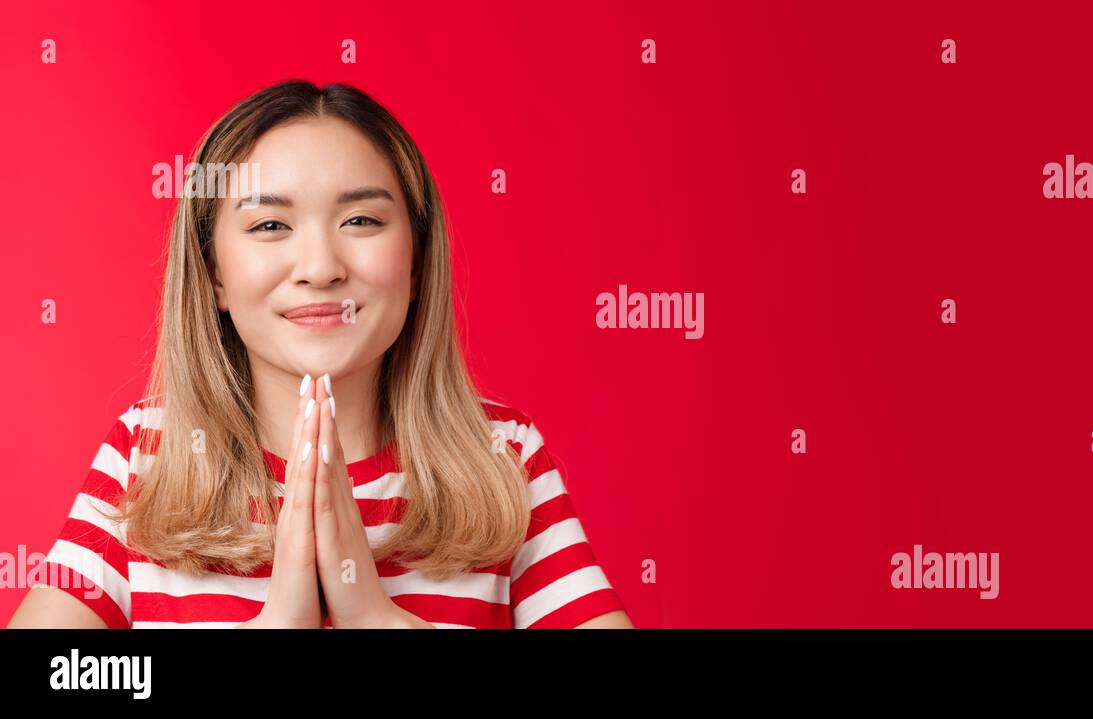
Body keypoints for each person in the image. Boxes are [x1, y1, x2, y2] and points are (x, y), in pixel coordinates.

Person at [7, 81, 631, 629]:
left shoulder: (503, 457)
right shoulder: (146, 456)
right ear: (214, 274)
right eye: (270, 226)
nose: (320, 269)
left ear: (416, 261)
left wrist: (378, 621)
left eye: (361, 221)